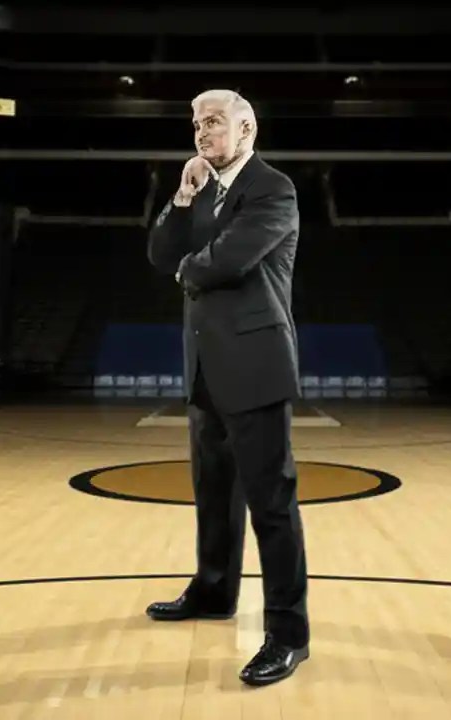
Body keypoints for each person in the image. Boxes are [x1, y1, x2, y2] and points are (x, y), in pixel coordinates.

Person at [145, 89, 309, 687]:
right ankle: (214, 592)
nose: (201, 132)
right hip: (206, 368)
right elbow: (163, 254)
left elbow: (225, 262)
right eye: (195, 124)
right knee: (213, 494)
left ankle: (288, 634)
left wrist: (193, 265)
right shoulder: (204, 190)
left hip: (257, 363)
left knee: (272, 505)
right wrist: (183, 196)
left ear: (247, 128)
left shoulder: (273, 188)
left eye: (213, 122)